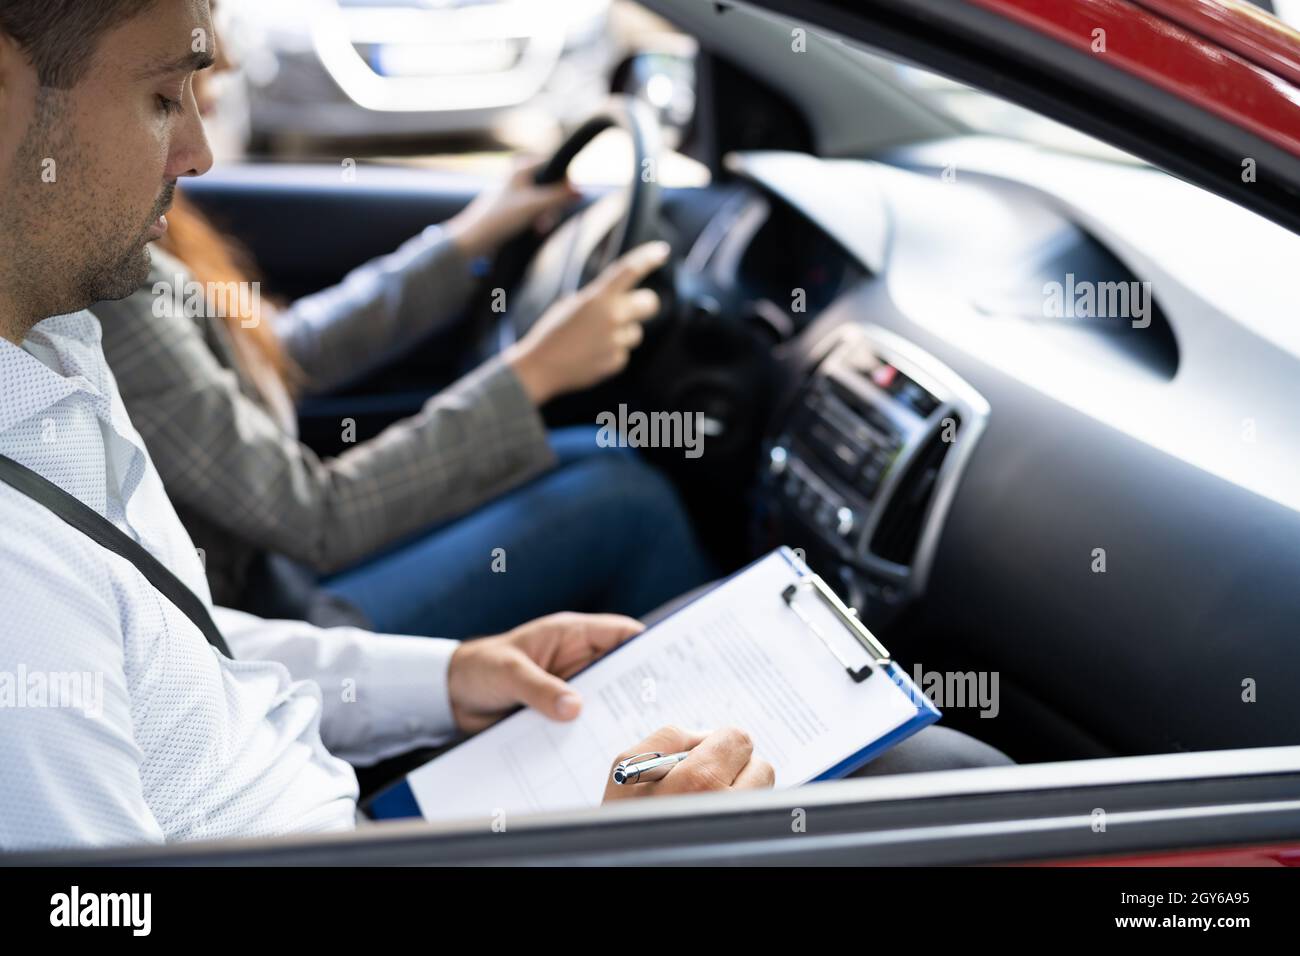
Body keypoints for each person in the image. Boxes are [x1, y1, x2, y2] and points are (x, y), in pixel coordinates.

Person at [0, 0, 771, 851]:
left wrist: (445, 677)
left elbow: (183, 648)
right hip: (304, 628)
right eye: (161, 96)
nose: (202, 149)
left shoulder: (59, 352)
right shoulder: (21, 586)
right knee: (629, 498)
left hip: (345, 808)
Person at [90, 1, 714, 640]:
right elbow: (317, 519)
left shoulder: (145, 231)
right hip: (274, 617)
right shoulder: (118, 290)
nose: (232, 55)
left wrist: (469, 238)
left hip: (280, 570)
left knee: (598, 452)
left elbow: (284, 350)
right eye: (167, 94)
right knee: (630, 505)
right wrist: (533, 373)